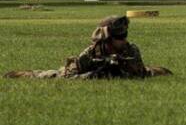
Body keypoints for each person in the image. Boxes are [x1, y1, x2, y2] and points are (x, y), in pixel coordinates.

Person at [5, 15, 172, 79]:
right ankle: (26, 74)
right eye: (118, 37)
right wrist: (95, 75)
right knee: (54, 75)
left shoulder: (131, 50)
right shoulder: (92, 52)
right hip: (80, 72)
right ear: (107, 38)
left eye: (124, 36)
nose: (123, 41)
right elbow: (69, 77)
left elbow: (139, 74)